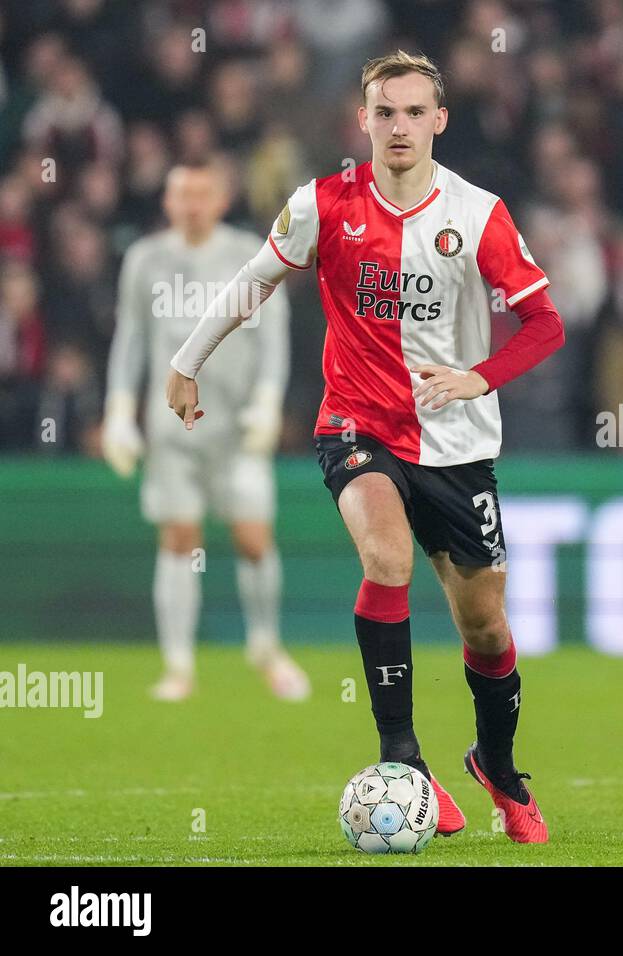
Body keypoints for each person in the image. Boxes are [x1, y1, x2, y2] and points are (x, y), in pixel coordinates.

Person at [164, 51, 564, 843]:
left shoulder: (478, 214)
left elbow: (545, 322)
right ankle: (403, 760)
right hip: (355, 426)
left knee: (484, 626)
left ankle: (497, 764)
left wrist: (479, 378)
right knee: (386, 560)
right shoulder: (323, 205)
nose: (401, 126)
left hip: (456, 445)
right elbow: (251, 281)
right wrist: (186, 361)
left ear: (439, 120)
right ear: (364, 120)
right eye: (387, 112)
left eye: (416, 112)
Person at [103, 160, 308, 703]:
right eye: (181, 195)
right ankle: (178, 665)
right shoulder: (145, 259)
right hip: (172, 431)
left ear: (220, 199)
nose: (191, 204)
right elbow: (130, 340)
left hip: (236, 427)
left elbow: (275, 337)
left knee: (253, 538)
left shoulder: (250, 253)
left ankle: (265, 646)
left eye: (201, 194)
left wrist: (268, 401)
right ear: (167, 202)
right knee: (177, 538)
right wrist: (119, 411)